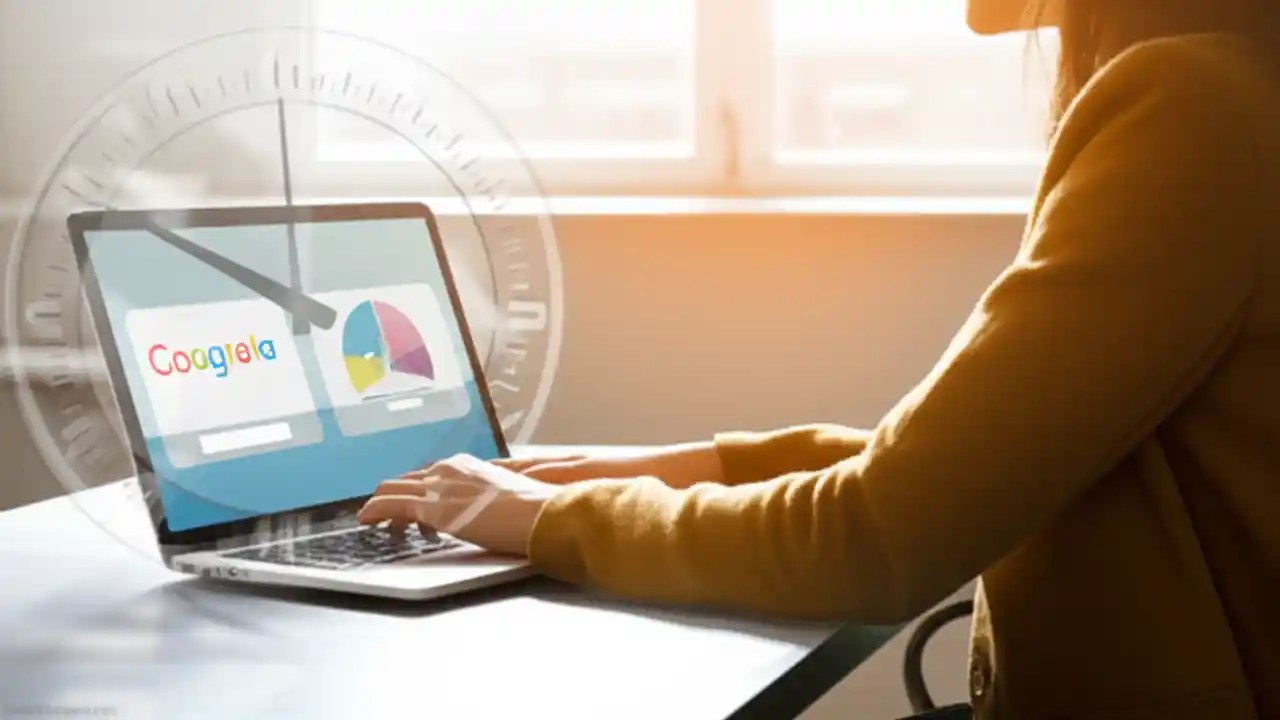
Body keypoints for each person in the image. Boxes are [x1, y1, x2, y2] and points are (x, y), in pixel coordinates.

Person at [358, 1, 1280, 717]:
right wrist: (669, 468)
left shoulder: (1190, 109)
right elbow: (967, 467)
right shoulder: (1222, 91)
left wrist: (554, 520)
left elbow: (878, 538)